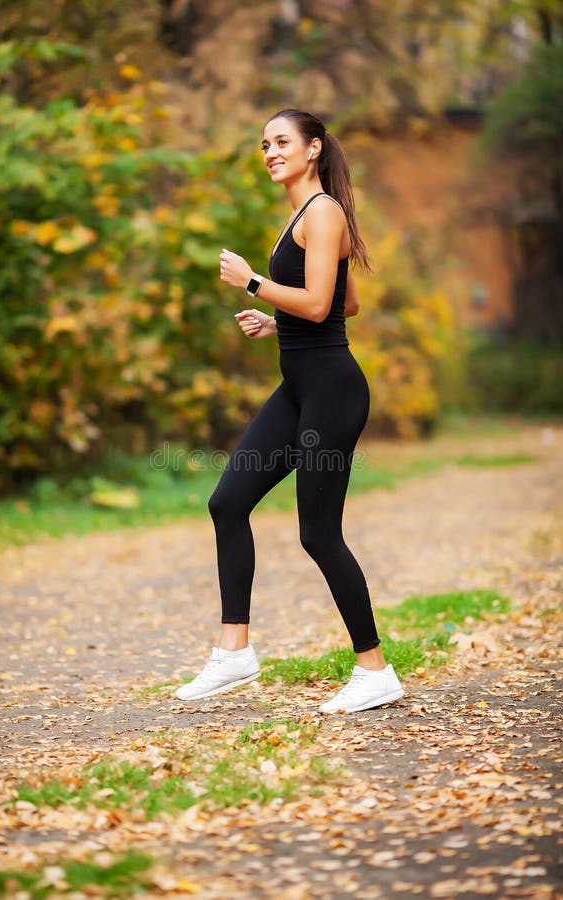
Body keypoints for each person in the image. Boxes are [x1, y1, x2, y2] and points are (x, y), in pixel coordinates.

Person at [176, 109, 404, 714]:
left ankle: (374, 669)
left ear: (313, 148)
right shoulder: (304, 216)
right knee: (227, 502)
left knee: (318, 533)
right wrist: (277, 319)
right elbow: (345, 304)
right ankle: (235, 654)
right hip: (301, 384)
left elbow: (323, 302)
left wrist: (252, 283)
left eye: (282, 142)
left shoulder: (324, 211)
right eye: (264, 145)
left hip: (332, 390)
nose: (270, 152)